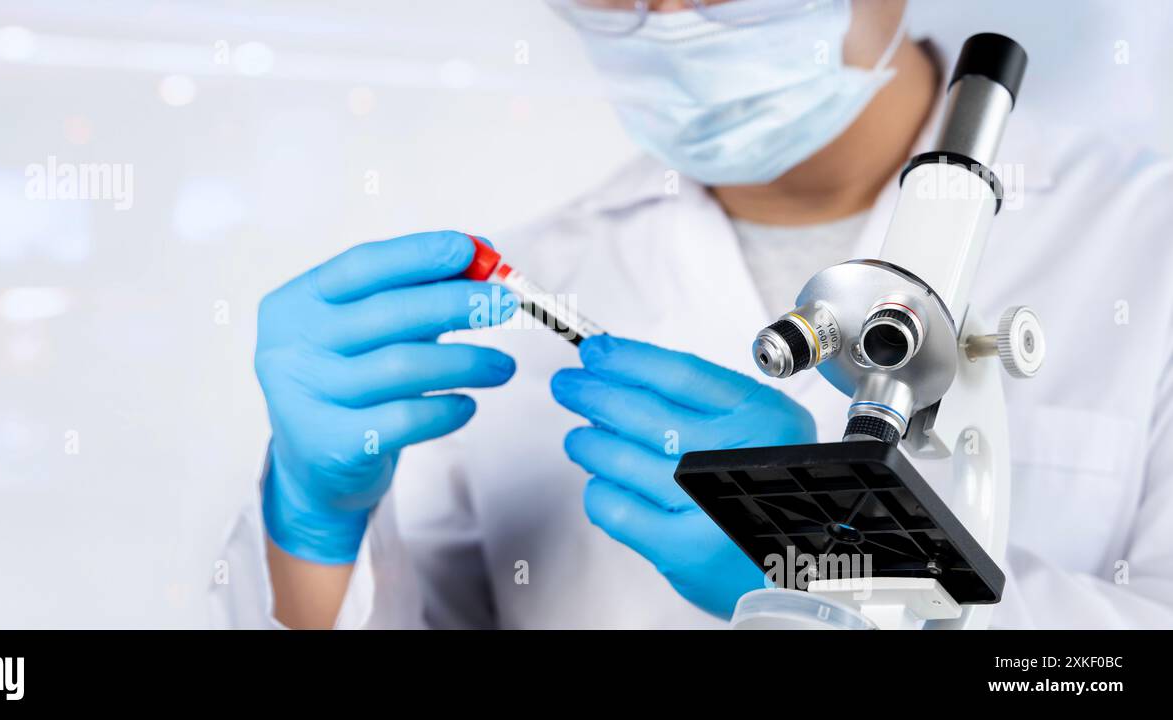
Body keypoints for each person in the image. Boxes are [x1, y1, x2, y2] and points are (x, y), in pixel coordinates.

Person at [213, 0, 1173, 629]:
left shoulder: (1144, 240)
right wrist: (310, 529)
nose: (670, 15)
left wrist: (866, 574)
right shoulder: (530, 290)